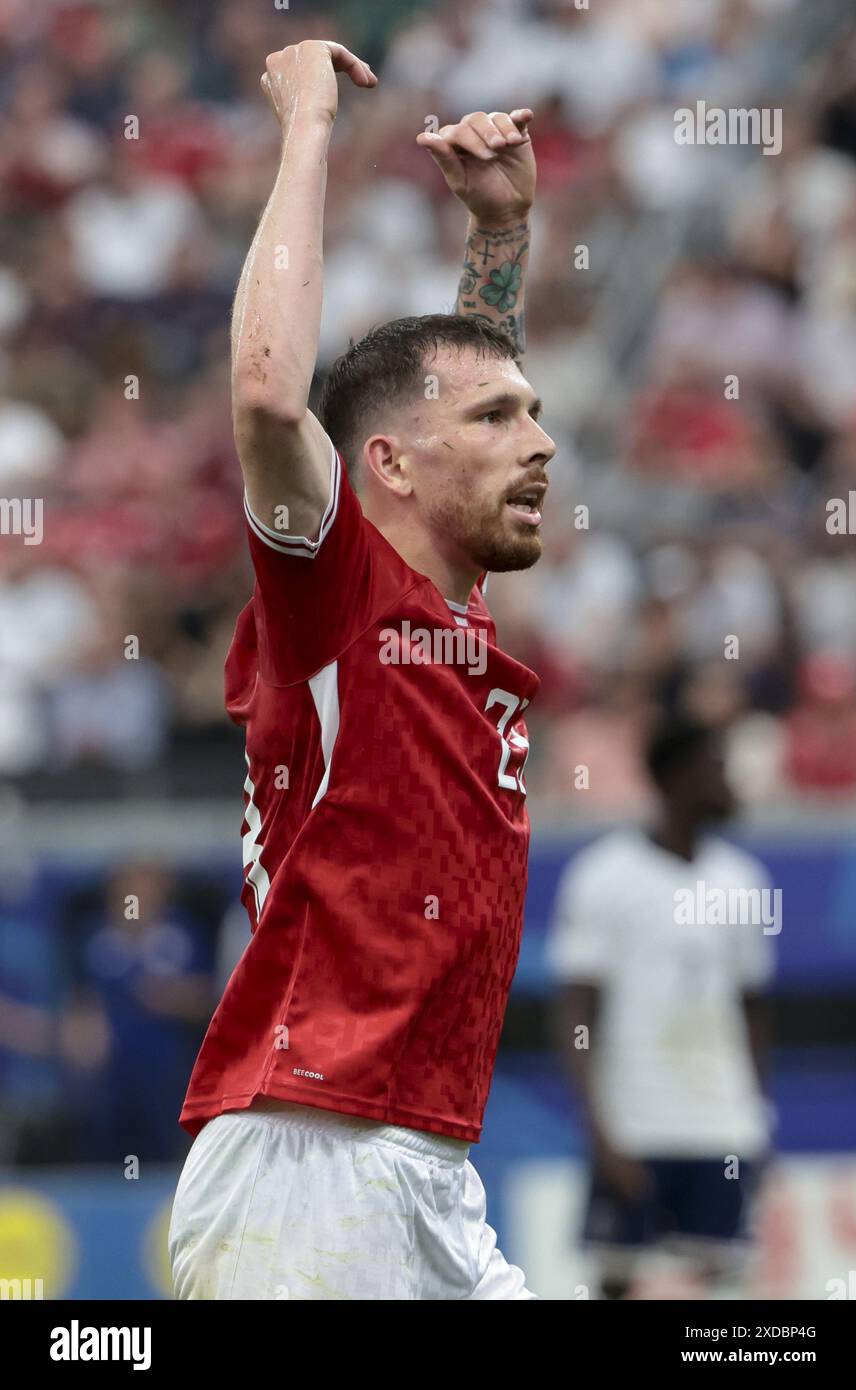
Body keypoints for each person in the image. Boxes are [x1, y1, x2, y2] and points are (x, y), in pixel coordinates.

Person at [169, 39, 555, 1300]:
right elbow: (275, 401)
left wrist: (499, 237)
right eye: (503, 420)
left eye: (535, 412)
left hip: (427, 1165)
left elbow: (436, 408)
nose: (540, 442)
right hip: (308, 1160)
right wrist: (307, 126)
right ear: (385, 467)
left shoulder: (438, 609)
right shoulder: (329, 596)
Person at [546, 714, 775, 1299]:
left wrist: (755, 1116)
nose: (730, 782)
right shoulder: (603, 875)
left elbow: (752, 1010)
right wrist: (600, 1131)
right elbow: (576, 1012)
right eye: (717, 766)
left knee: (726, 1283)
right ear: (677, 776)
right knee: (616, 1279)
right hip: (636, 1124)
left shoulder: (744, 883)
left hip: (722, 1127)